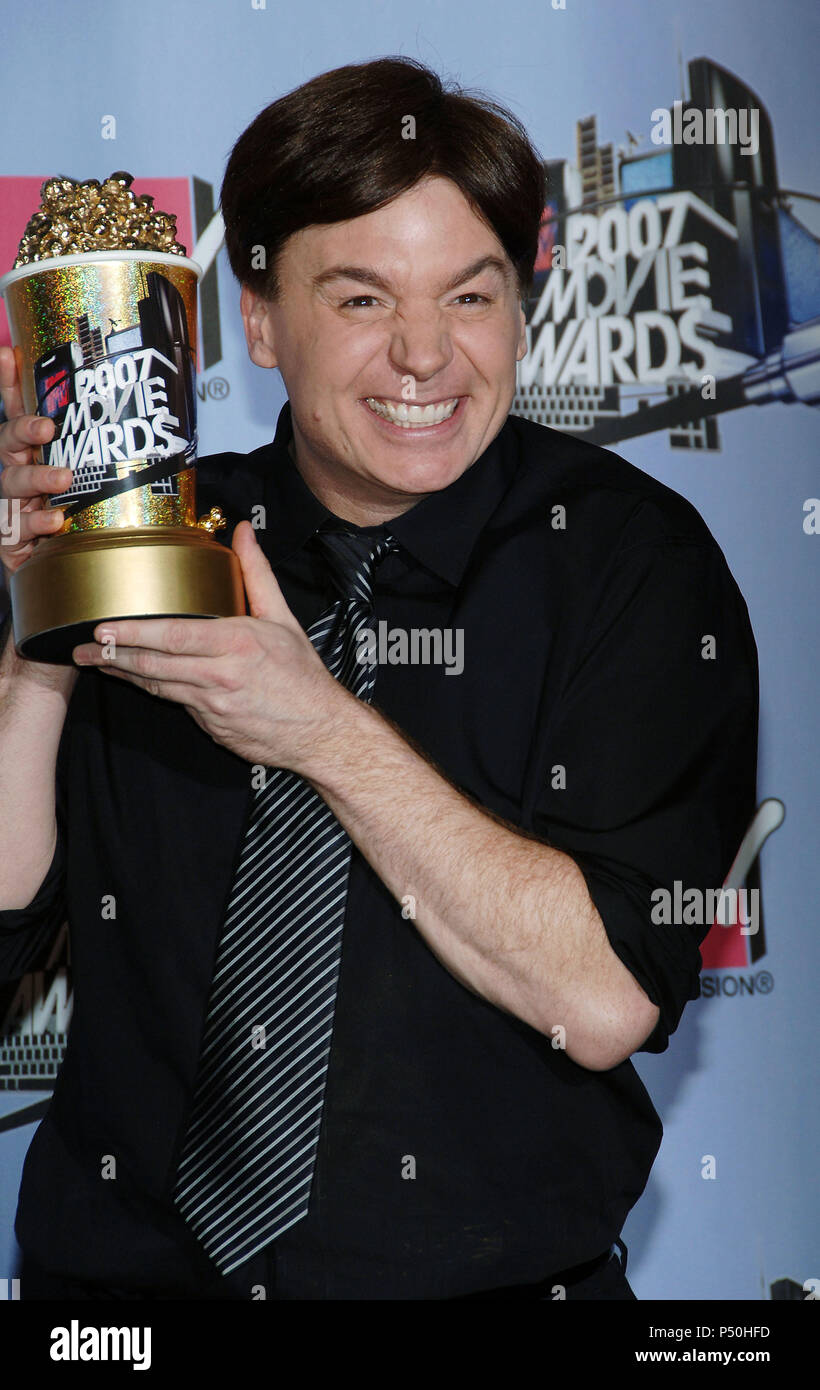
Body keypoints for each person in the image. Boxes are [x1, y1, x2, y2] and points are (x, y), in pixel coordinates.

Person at [0, 56, 758, 1300]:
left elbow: (606, 993)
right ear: (255, 320)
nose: (425, 357)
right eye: (359, 300)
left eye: (470, 295)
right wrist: (39, 626)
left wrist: (316, 727)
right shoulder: (154, 540)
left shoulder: (631, 564)